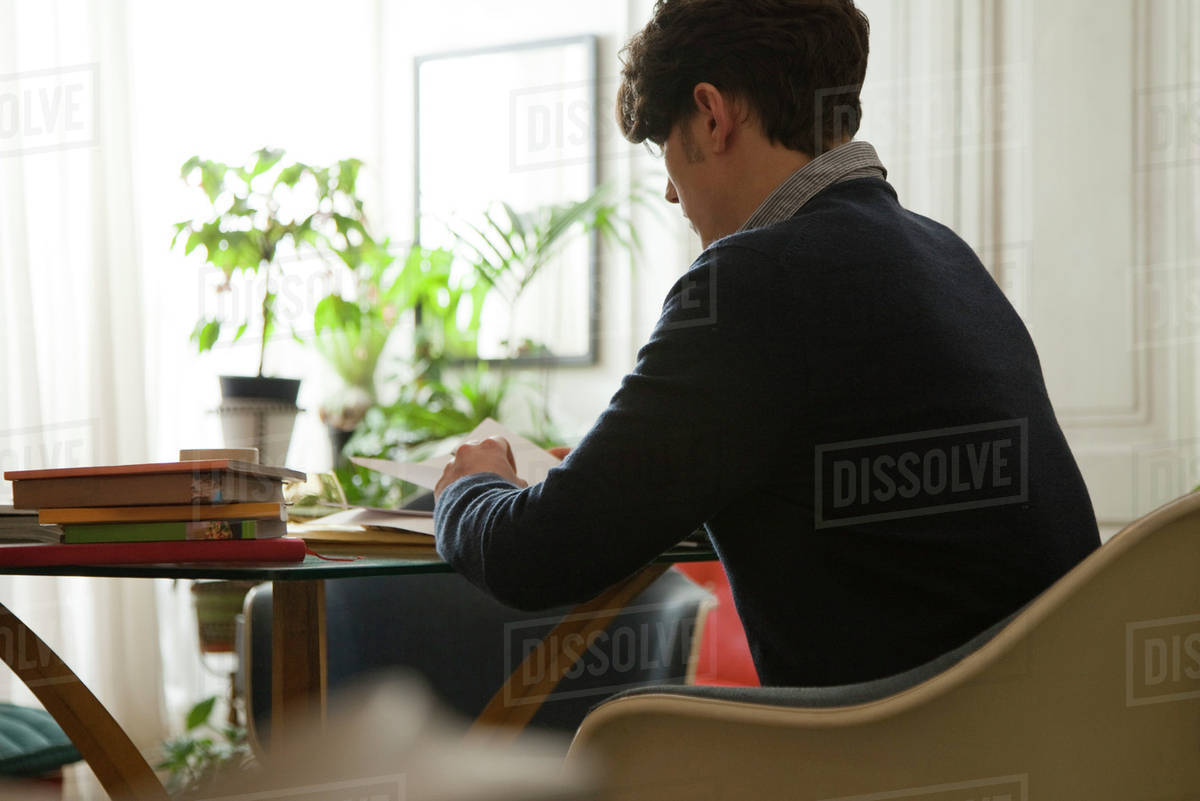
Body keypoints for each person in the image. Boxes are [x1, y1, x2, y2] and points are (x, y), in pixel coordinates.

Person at [433, 0, 1100, 687]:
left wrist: (470, 482)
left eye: (667, 154)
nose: (671, 193)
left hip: (890, 763)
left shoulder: (752, 280)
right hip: (1060, 743)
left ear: (713, 115)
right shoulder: (944, 253)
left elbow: (535, 557)